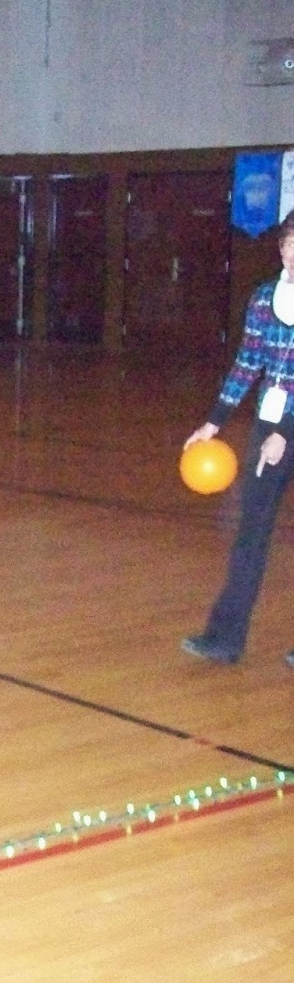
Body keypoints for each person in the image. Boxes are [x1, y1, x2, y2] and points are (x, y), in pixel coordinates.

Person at [180, 211, 294, 667]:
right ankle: (226, 638)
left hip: (285, 428)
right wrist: (214, 422)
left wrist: (285, 432)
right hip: (272, 426)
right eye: (288, 244)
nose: (292, 254)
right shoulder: (264, 299)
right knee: (251, 533)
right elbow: (248, 363)